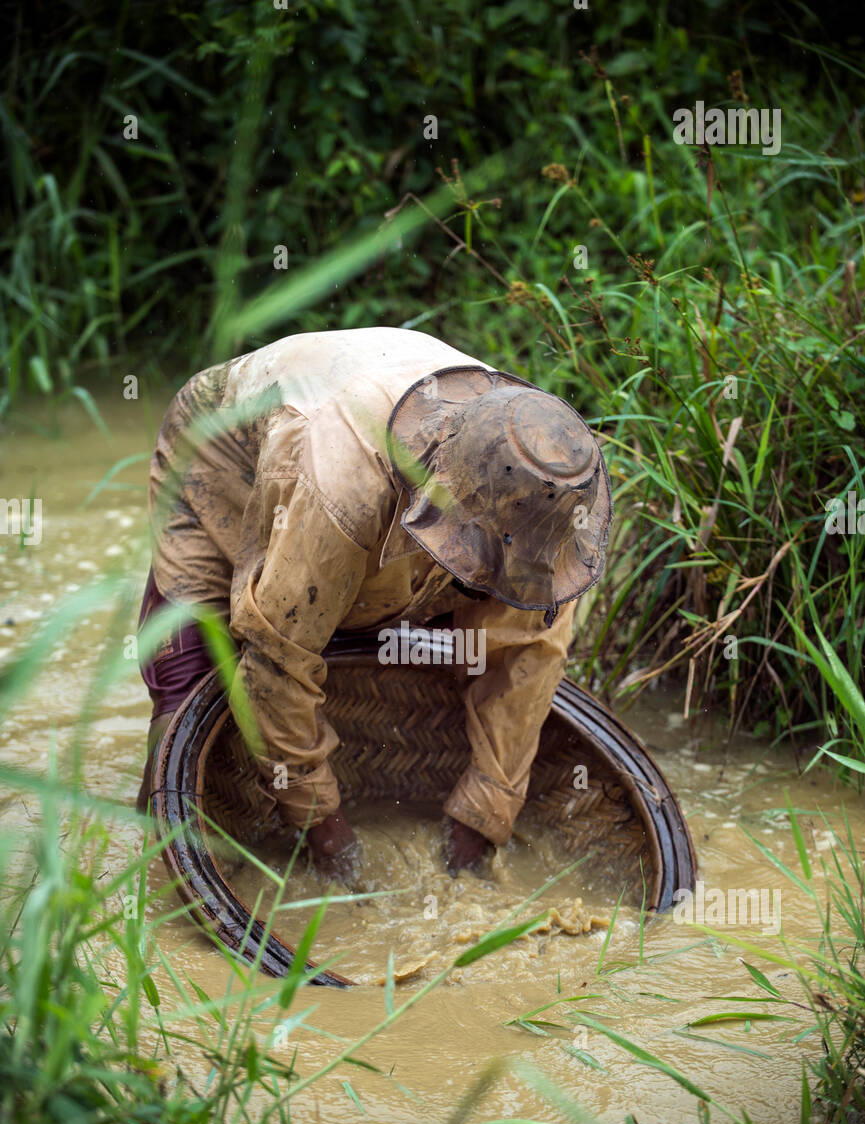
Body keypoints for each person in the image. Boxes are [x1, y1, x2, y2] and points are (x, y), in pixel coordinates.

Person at [137, 327, 612, 882]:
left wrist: (484, 816)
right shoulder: (343, 477)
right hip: (224, 454)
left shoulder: (544, 490)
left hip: (379, 454)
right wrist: (327, 832)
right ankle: (162, 870)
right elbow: (278, 655)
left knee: (443, 628)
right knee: (190, 677)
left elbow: (527, 659)